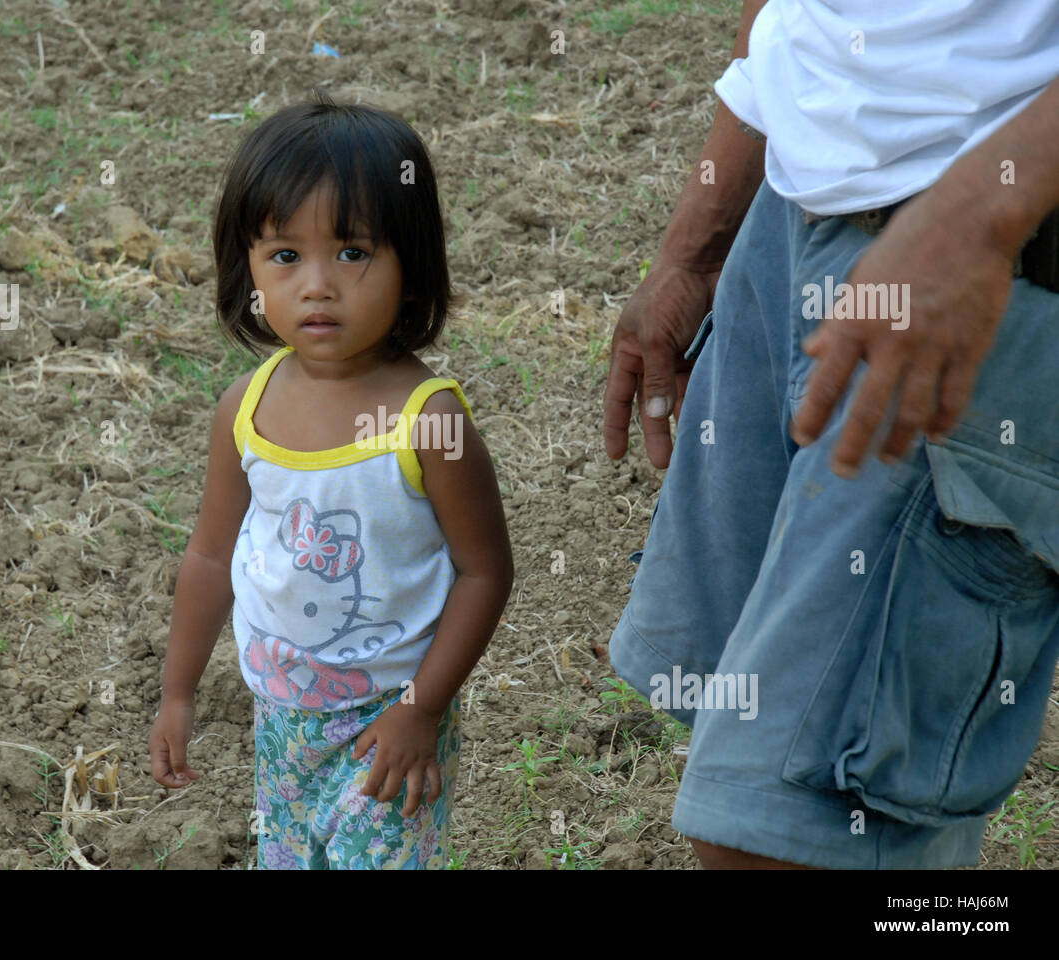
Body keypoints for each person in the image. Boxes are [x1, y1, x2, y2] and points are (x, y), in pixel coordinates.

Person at [605, 0, 1059, 868]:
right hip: (796, 196)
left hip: (981, 247)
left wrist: (979, 217)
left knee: (791, 826)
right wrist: (697, 249)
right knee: (729, 710)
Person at [149, 91, 513, 869]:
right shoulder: (244, 410)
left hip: (388, 725)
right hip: (279, 722)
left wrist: (423, 708)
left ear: (411, 268)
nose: (317, 284)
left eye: (352, 253)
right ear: (245, 270)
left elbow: (485, 573)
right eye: (285, 256)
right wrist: (178, 693)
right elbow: (210, 559)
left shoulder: (429, 423)